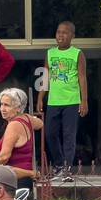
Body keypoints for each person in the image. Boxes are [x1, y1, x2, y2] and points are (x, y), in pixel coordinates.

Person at [38, 20, 87, 179]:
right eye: (59, 32)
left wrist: (84, 101)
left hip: (72, 101)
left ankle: (67, 168)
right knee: (50, 134)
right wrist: (40, 98)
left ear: (72, 36)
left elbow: (82, 78)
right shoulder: (50, 53)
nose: (61, 35)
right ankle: (59, 164)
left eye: (65, 32)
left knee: (69, 136)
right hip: (53, 101)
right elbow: (45, 77)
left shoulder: (77, 53)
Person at [0, 88, 43, 190]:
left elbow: (4, 156)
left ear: (18, 108)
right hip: (24, 178)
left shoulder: (14, 125)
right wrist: (29, 117)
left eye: (7, 105)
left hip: (15, 181)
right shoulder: (27, 119)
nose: (2, 109)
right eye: (1, 104)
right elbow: (40, 123)